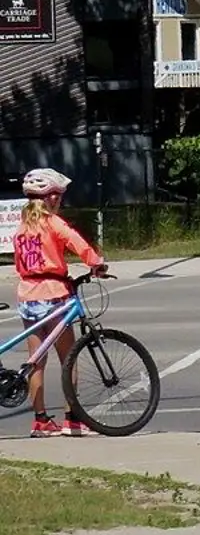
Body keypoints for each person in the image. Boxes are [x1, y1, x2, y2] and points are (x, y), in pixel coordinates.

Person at [11, 167, 105, 437]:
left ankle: (40, 421)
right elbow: (78, 243)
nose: (60, 200)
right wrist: (97, 263)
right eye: (59, 196)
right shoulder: (53, 223)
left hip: (27, 294)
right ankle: (72, 420)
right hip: (54, 294)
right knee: (69, 358)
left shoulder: (22, 227)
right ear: (50, 197)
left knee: (35, 362)